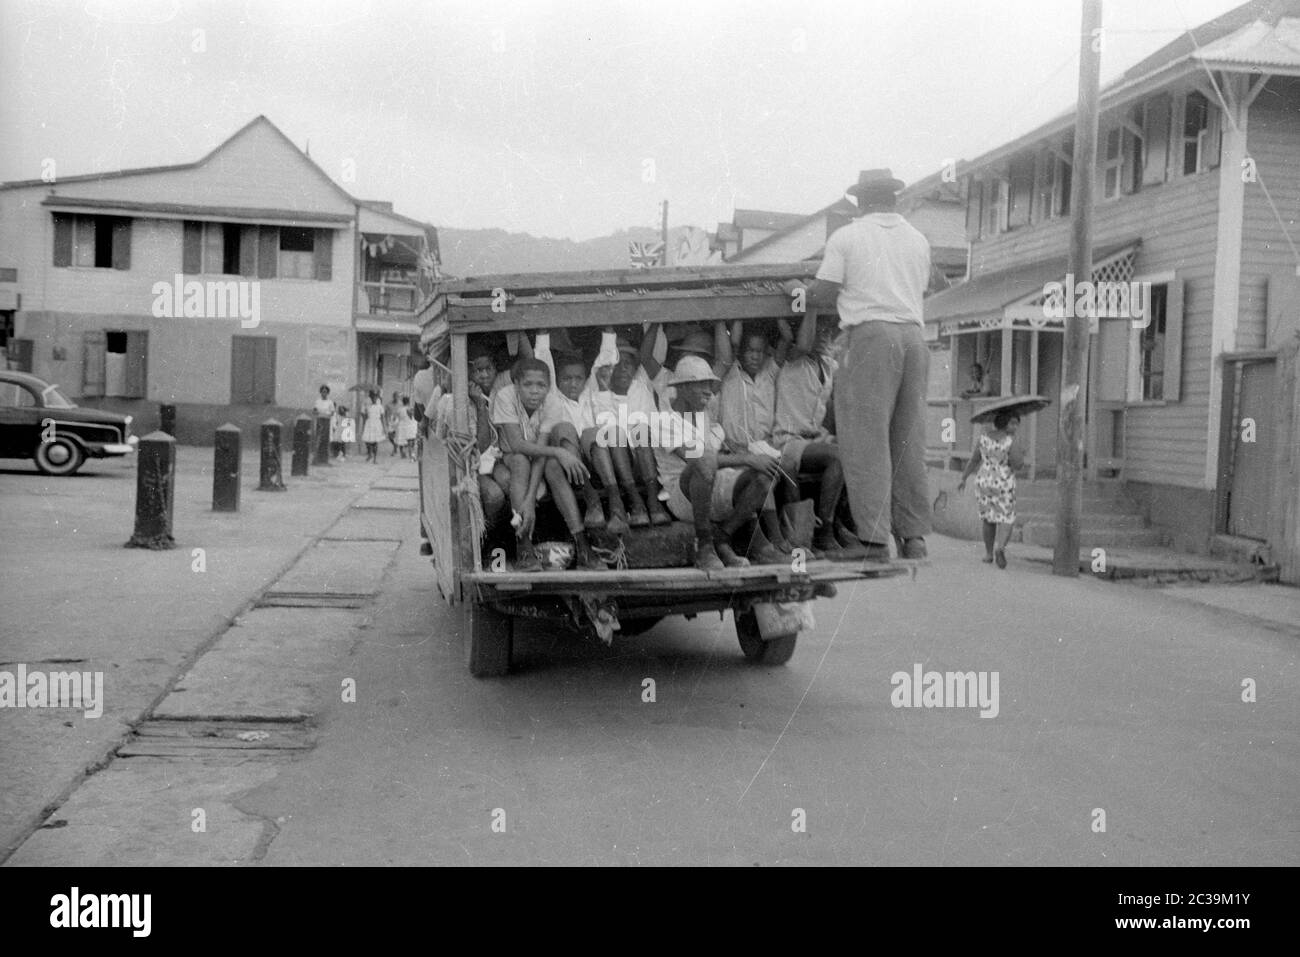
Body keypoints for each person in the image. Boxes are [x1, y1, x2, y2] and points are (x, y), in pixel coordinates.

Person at [788, 167, 932, 562]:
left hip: (871, 337)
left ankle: (871, 540)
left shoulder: (848, 236)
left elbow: (823, 293)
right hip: (914, 339)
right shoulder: (918, 239)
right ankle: (913, 537)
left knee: (866, 441)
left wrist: (798, 292)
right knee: (907, 440)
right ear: (894, 199)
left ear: (860, 201)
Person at [655, 356, 784, 571]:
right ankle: (704, 547)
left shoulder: (704, 415)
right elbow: (697, 459)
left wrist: (755, 461)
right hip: (681, 497)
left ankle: (725, 538)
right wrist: (747, 459)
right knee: (705, 461)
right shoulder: (664, 420)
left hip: (710, 485)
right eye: (701, 385)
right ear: (684, 387)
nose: (708, 390)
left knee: (766, 475)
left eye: (709, 384)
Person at [490, 357, 602, 572]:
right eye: (528, 384)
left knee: (551, 465)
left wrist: (531, 500)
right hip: (510, 457)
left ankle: (582, 544)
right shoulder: (506, 397)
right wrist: (559, 451)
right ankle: (523, 544)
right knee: (522, 461)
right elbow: (517, 444)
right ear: (516, 385)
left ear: (549, 387)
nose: (534, 391)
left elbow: (540, 453)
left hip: (537, 458)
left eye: (541, 385)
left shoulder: (552, 402)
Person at [770, 312, 851, 557]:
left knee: (855, 452)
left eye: (828, 332)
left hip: (814, 439)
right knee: (838, 457)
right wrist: (812, 303)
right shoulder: (792, 360)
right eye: (819, 332)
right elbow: (803, 344)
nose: (825, 337)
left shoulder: (829, 365)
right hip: (788, 441)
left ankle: (840, 524)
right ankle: (824, 530)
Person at [957, 411, 1024, 569]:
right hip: (1003, 482)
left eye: (1017, 423)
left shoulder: (983, 438)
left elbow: (974, 460)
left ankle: (988, 554)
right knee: (1006, 517)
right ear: (1004, 423)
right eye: (1013, 423)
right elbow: (1018, 464)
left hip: (984, 481)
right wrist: (1018, 449)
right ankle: (1000, 548)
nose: (1016, 427)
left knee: (988, 518)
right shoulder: (1010, 441)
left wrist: (963, 478)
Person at [361, 390, 386, 463]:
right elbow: (364, 415)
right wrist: (364, 421)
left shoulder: (380, 407)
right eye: (372, 398)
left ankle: (375, 458)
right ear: (371, 399)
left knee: (375, 441)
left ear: (377, 398)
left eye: (375, 398)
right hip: (369, 424)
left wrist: (384, 428)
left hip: (377, 424)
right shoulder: (368, 407)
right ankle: (370, 454)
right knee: (367, 440)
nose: (374, 399)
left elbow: (382, 417)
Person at [385, 390, 402, 456]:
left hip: (398, 420)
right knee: (390, 436)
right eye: (395, 396)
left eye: (397, 396)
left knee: (396, 436)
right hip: (391, 420)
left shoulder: (401, 404)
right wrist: (386, 421)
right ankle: (395, 445)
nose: (396, 397)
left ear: (398, 397)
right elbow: (386, 413)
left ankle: (394, 449)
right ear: (393, 396)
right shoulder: (389, 404)